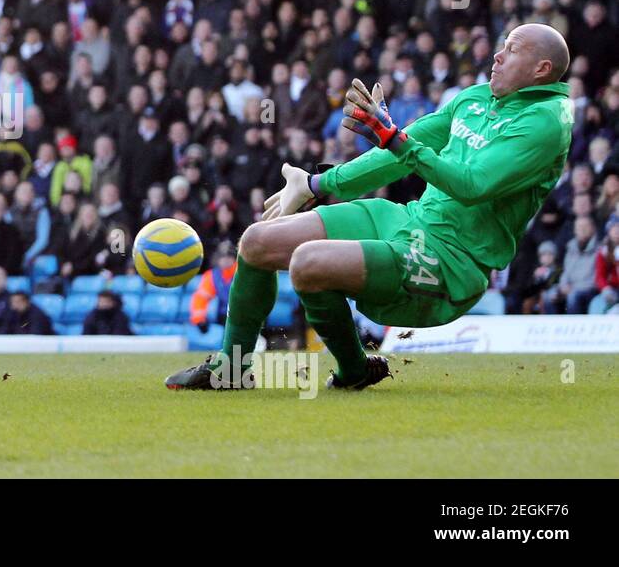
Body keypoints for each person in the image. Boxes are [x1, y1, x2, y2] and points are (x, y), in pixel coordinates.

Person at [168, 24, 572, 390]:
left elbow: (471, 185)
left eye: (512, 50)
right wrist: (315, 183)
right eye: (501, 45)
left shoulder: (545, 124)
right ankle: (232, 368)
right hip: (408, 218)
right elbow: (397, 150)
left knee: (307, 264)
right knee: (255, 242)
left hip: (451, 259)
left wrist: (395, 138)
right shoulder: (475, 99)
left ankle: (354, 370)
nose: (498, 55)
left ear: (541, 69)